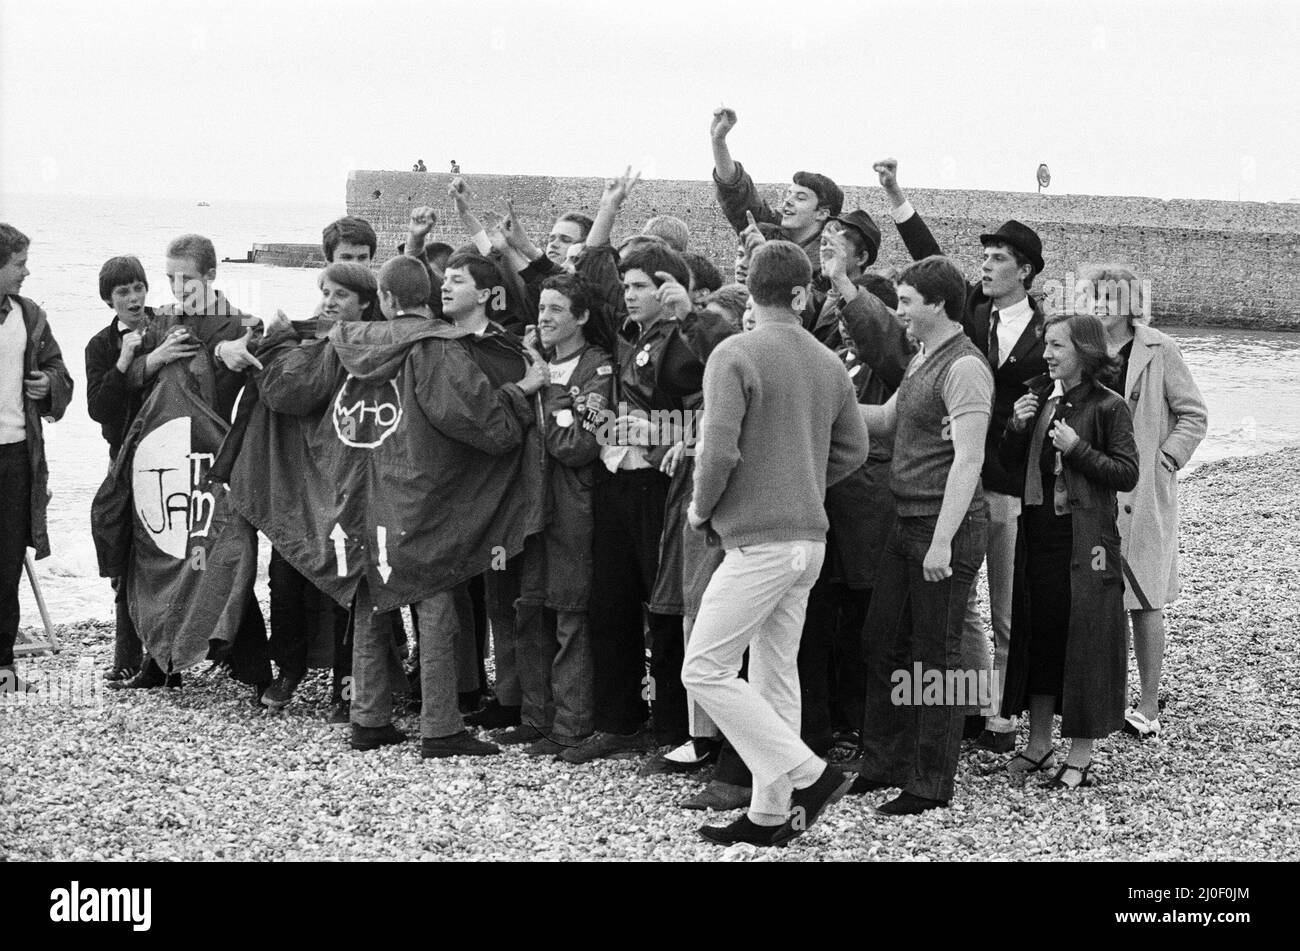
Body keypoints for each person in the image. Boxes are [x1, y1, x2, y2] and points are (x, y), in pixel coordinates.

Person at [255, 253, 547, 756]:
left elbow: (286, 390)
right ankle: (440, 727)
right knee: (433, 600)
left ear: (385, 300)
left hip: (354, 496)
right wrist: (523, 390)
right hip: (417, 499)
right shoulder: (435, 349)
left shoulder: (340, 343)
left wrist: (273, 340)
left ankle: (368, 719)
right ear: (425, 297)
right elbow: (483, 424)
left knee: (371, 596)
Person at [682, 240, 870, 847]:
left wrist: (699, 508)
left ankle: (809, 775)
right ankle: (770, 815)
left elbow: (718, 450)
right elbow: (856, 451)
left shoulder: (733, 353)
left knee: (703, 668)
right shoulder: (827, 360)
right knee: (773, 672)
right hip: (808, 542)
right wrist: (803, 482)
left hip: (758, 543)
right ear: (802, 291)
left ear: (751, 289)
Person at [875, 157, 1048, 753]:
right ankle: (970, 710)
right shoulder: (969, 310)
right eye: (984, 258)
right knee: (956, 609)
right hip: (955, 476)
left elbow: (1054, 396)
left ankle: (1001, 713)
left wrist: (1016, 421)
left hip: (1003, 477)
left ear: (1025, 272)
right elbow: (931, 258)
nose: (986, 265)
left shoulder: (1045, 331)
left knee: (1003, 601)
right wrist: (897, 194)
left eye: (999, 259)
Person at [560, 167, 702, 764]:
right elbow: (590, 272)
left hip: (663, 490)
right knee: (610, 602)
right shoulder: (626, 332)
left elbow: (712, 424)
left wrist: (656, 429)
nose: (631, 293)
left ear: (668, 287)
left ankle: (674, 732)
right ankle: (617, 720)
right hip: (615, 482)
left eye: (642, 285)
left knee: (666, 610)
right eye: (629, 285)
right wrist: (609, 205)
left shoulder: (693, 343)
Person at [852, 255, 993, 815]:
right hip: (906, 519)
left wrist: (941, 542)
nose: (899, 311)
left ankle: (932, 781)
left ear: (936, 304)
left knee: (937, 657)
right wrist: (830, 404)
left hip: (946, 528)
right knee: (880, 640)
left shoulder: (964, 367)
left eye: (906, 301)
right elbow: (887, 420)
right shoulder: (923, 359)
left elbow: (969, 459)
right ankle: (884, 760)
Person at [997, 314, 1139, 788]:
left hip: (1085, 540)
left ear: (1084, 351)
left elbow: (1126, 474)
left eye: (1057, 346)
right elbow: (1013, 466)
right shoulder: (1042, 399)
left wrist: (1077, 449)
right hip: (1038, 534)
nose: (1047, 354)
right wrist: (1016, 429)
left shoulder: (1108, 406)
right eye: (1046, 345)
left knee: (1084, 641)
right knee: (1040, 634)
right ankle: (1039, 746)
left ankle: (1080, 752)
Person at [1082, 265, 1207, 738]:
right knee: (1099, 596)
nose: (1101, 303)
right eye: (1094, 294)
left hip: (1146, 494)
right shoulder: (1085, 349)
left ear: (1132, 302)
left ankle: (1149, 706)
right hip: (1093, 484)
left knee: (1146, 596)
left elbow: (1193, 415)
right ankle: (1104, 699)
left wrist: (1167, 460)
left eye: (1111, 295)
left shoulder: (1161, 348)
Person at [510, 273, 614, 755]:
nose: (544, 317)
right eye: (542, 308)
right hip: (530, 506)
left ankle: (572, 725)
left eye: (555, 309)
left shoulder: (599, 370)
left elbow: (578, 445)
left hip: (573, 507)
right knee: (530, 608)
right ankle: (536, 716)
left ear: (582, 317)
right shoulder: (535, 364)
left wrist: (550, 397)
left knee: (570, 613)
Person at [0, 224, 73, 695]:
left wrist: (49, 385)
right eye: (19, 263)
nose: (26, 271)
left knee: (7, 564)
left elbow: (59, 371)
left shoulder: (30, 315)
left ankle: (2, 669)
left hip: (16, 457)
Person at [86, 256, 160, 682]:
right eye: (122, 292)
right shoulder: (99, 345)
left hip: (165, 456)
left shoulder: (164, 328)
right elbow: (99, 409)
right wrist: (122, 361)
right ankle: (125, 657)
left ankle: (163, 657)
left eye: (138, 287)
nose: (133, 298)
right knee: (120, 550)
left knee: (160, 553)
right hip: (121, 460)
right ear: (109, 300)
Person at [709, 106, 843, 274]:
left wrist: (765, 255)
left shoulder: (833, 259)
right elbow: (737, 196)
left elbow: (802, 296)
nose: (788, 201)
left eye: (800, 198)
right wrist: (718, 140)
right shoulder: (770, 232)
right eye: (789, 194)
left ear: (822, 213)